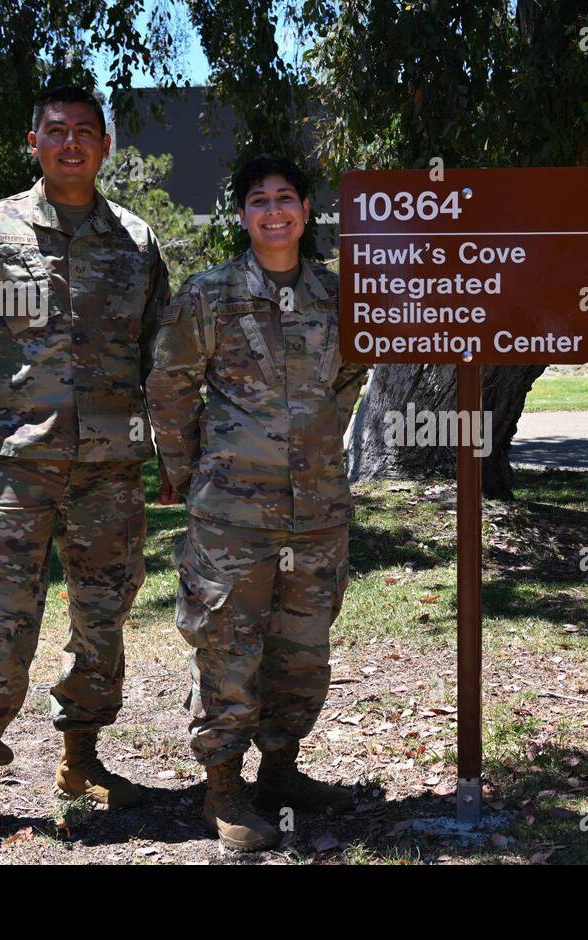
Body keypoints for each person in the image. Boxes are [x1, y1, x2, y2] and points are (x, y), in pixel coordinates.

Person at [0, 84, 169, 856]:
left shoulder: (135, 238)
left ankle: (78, 760)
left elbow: (160, 357)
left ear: (104, 146)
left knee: (102, 624)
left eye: (85, 133)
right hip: (12, 469)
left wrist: (172, 451)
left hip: (108, 471)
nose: (70, 144)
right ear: (34, 142)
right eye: (56, 132)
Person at [146, 155, 369, 852]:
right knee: (227, 648)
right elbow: (170, 388)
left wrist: (319, 442)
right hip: (232, 516)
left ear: (306, 209)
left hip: (319, 512)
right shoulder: (207, 296)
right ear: (242, 216)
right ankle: (223, 789)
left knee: (302, 650)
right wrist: (188, 470)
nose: (274, 211)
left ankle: (280, 771)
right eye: (258, 200)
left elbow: (352, 375)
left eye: (286, 198)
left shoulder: (339, 296)